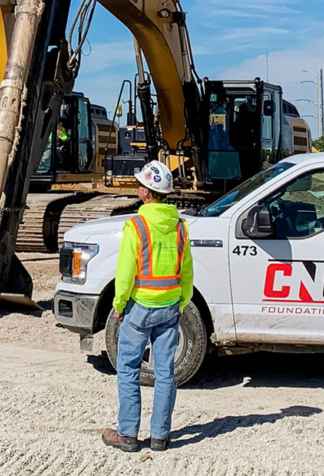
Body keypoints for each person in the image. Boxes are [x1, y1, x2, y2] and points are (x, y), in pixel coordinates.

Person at [102, 160, 195, 453]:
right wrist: (183, 300)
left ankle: (128, 434)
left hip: (140, 307)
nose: (138, 189)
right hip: (170, 307)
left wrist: (118, 306)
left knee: (128, 369)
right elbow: (187, 270)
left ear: (146, 193)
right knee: (165, 371)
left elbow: (125, 271)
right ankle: (160, 437)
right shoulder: (180, 227)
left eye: (141, 185)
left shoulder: (136, 225)